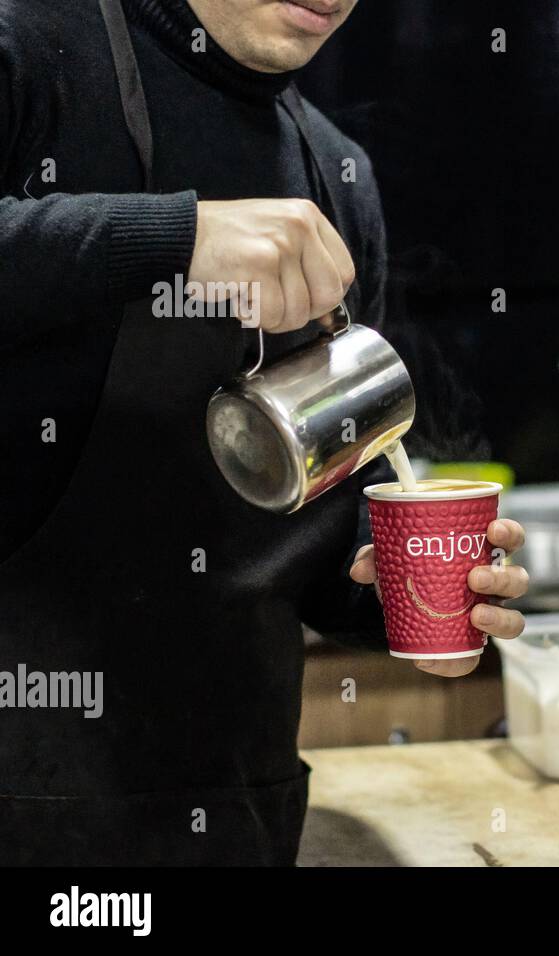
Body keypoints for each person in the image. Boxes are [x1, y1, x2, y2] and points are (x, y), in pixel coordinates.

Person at [0, 0, 528, 865]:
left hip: (236, 814)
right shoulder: (35, 45)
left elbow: (306, 542)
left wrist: (404, 592)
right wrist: (178, 235)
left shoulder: (331, 173)